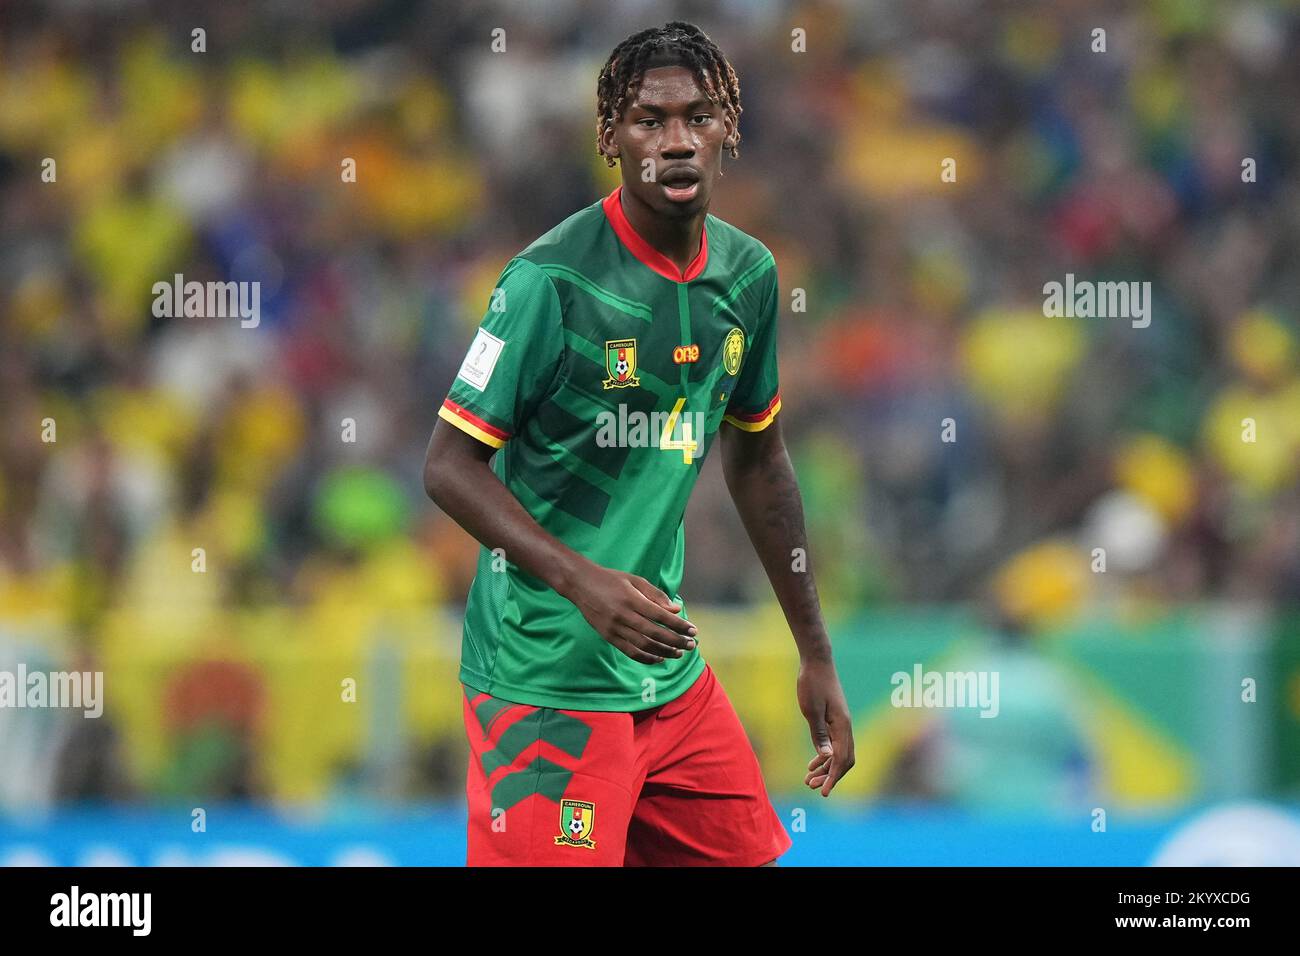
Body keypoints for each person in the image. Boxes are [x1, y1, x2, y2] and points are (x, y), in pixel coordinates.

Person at [423, 21, 853, 866]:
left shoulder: (749, 277)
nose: (676, 142)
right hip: (546, 685)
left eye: (698, 118)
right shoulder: (550, 283)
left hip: (667, 678)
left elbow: (759, 460)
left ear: (730, 128)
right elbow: (447, 466)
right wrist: (585, 584)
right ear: (610, 137)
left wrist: (816, 655)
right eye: (649, 121)